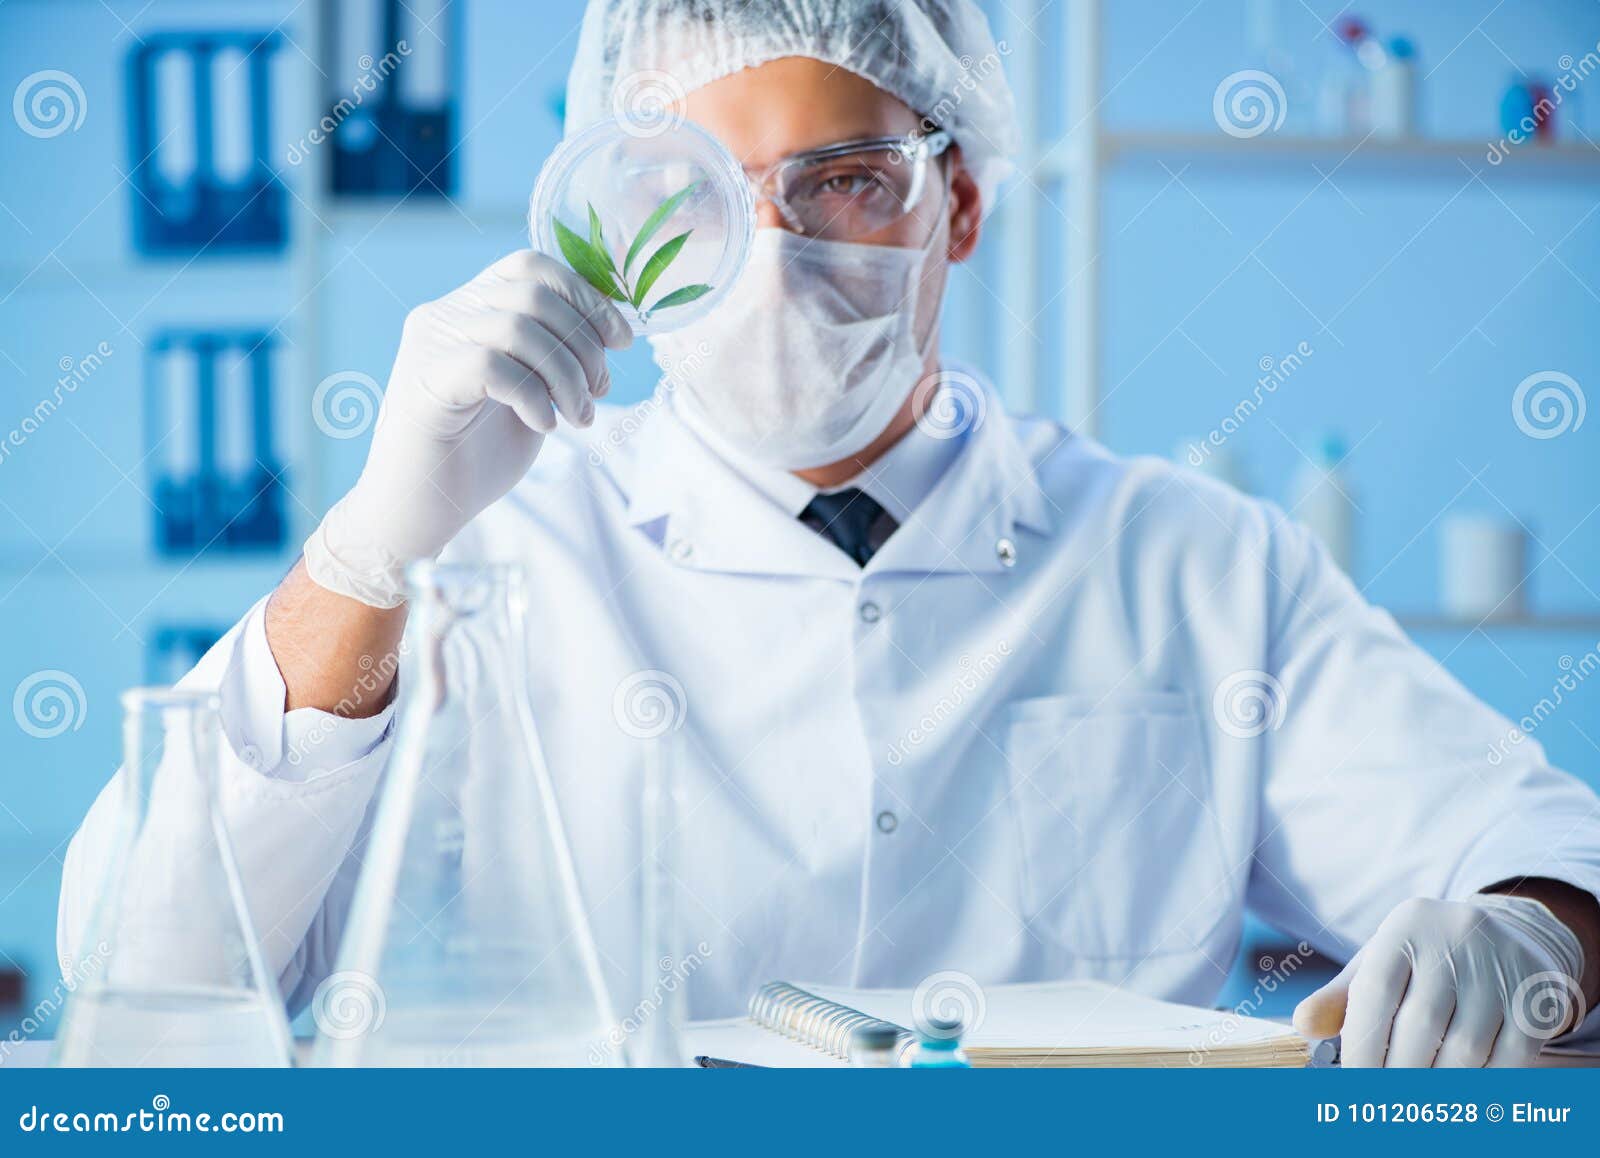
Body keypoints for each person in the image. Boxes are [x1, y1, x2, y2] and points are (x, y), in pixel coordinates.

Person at [60, 0, 1600, 1067]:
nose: (777, 252)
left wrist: (1531, 940)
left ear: (963, 205)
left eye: (848, 182)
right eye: (704, 195)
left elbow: (1547, 851)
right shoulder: (487, 553)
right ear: (617, 220)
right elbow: (142, 963)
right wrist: (364, 549)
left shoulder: (1198, 566)